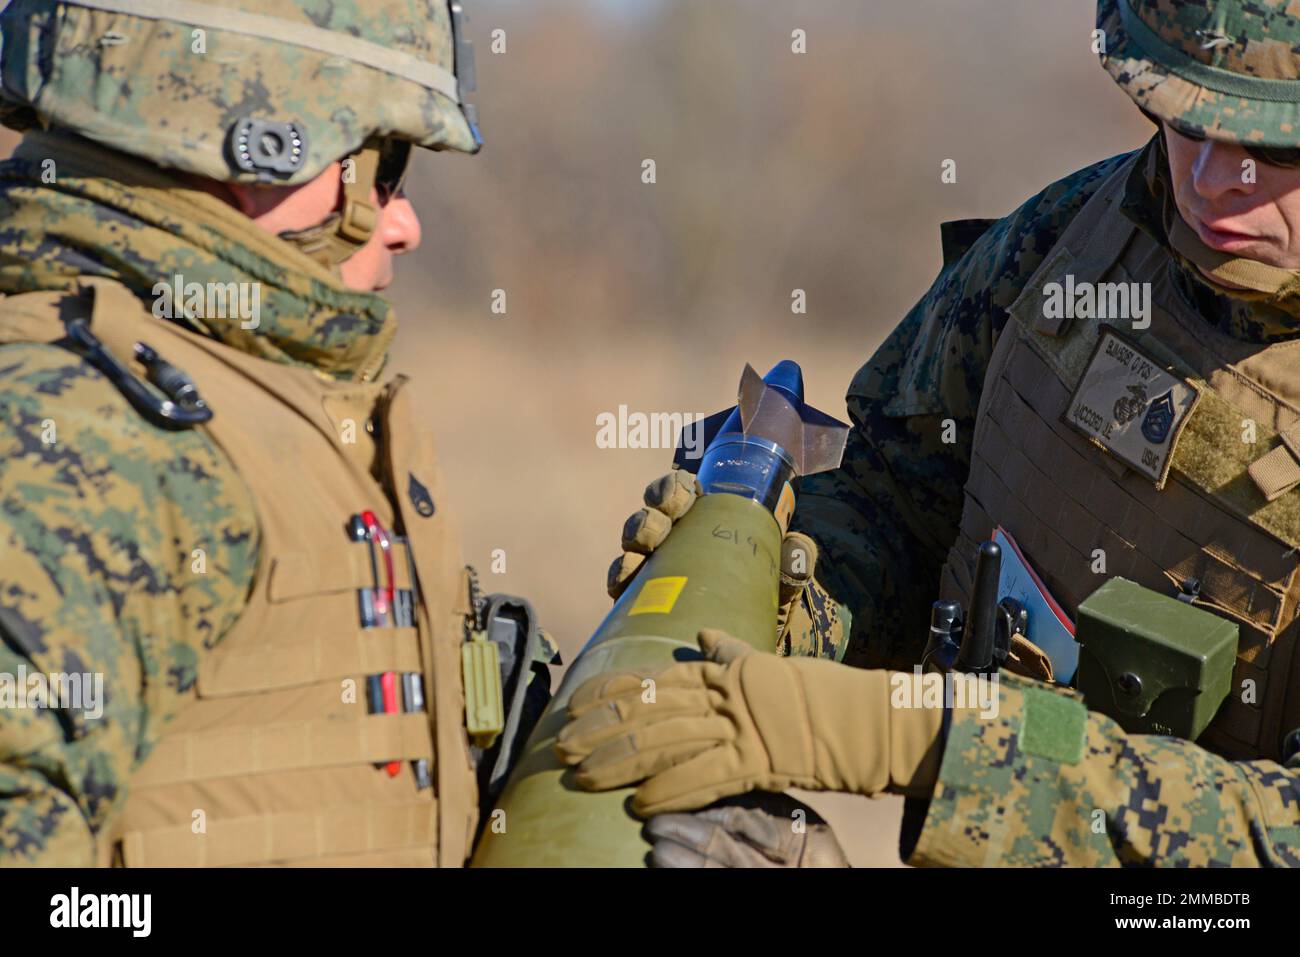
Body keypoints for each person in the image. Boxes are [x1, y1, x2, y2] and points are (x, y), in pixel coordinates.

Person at [559, 0, 1300, 867]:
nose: (1212, 177)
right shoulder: (1074, 239)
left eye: (1274, 146)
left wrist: (904, 738)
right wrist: (771, 588)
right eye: (1181, 118)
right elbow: (898, 501)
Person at [0, 0, 562, 867]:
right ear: (250, 142)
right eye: (385, 169)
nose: (402, 223)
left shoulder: (242, 404)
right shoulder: (77, 427)